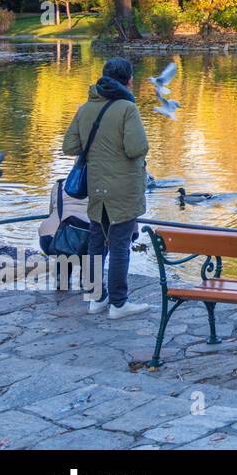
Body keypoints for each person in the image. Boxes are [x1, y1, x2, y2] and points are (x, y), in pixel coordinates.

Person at [62, 56, 150, 319]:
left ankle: (96, 299)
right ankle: (119, 304)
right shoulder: (127, 108)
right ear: (128, 80)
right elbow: (137, 148)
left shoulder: (86, 107)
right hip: (123, 189)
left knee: (96, 244)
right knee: (120, 245)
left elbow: (70, 146)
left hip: (97, 187)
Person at [38, 178, 91, 291]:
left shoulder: (59, 184)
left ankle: (61, 280)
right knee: (92, 241)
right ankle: (86, 279)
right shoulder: (99, 186)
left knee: (65, 244)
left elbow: (51, 211)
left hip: (49, 238)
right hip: (82, 241)